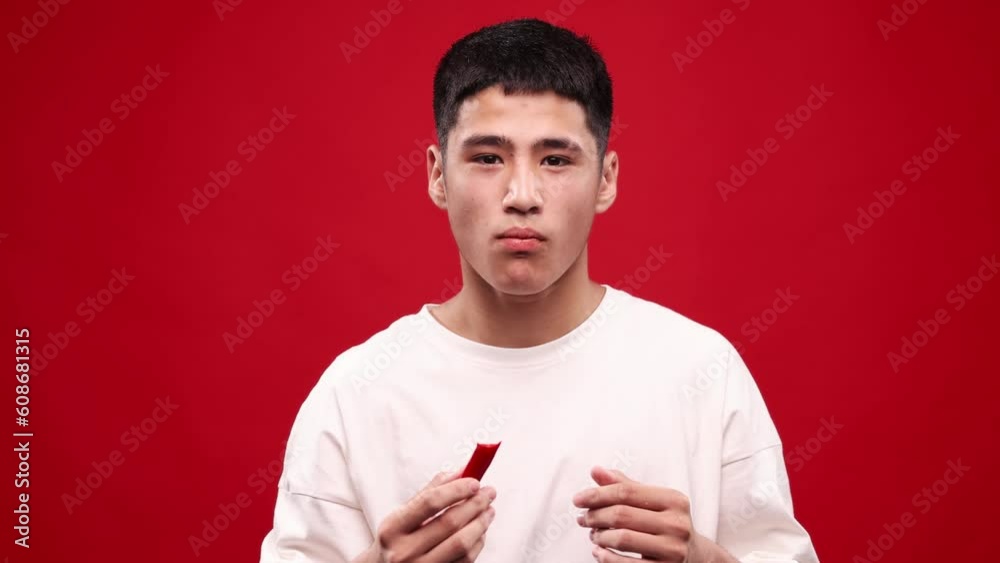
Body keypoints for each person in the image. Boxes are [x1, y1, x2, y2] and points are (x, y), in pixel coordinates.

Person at [259, 17, 818, 563]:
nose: (521, 194)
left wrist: (704, 559)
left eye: (555, 159)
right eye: (487, 158)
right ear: (436, 175)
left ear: (606, 178)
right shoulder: (355, 394)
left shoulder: (702, 371)